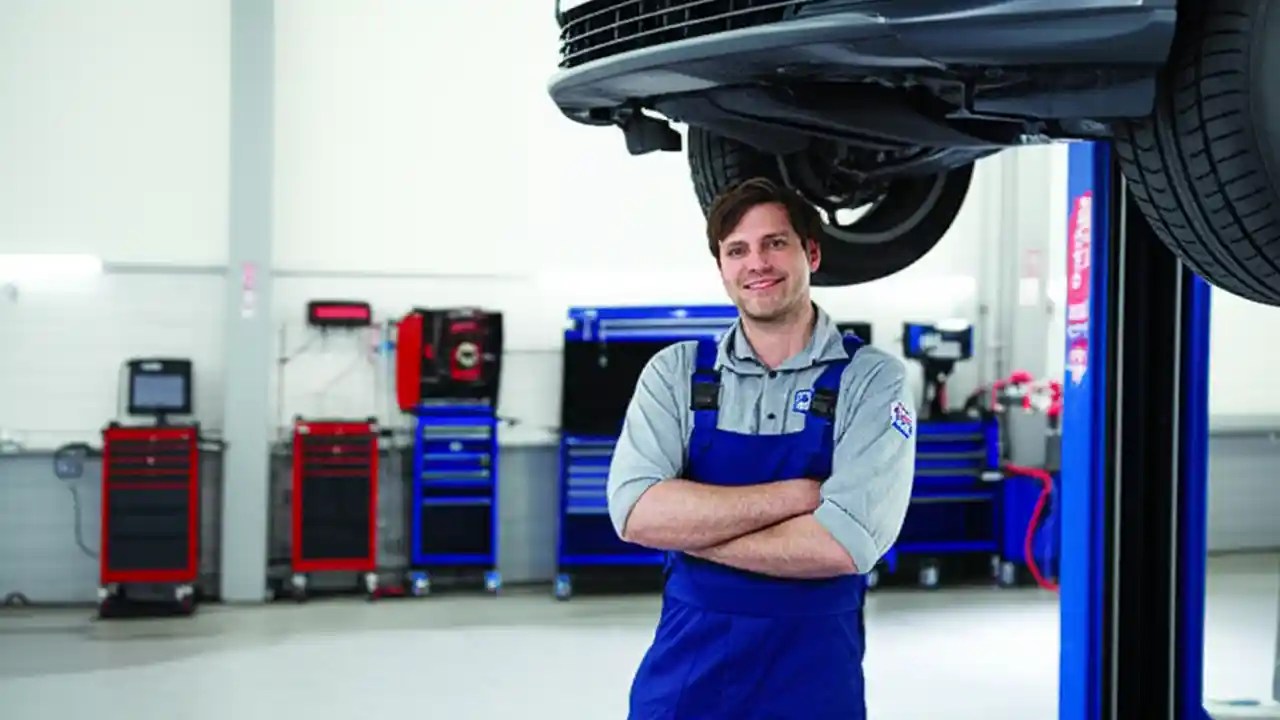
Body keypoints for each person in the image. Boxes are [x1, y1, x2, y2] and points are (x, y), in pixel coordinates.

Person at [606, 177, 918, 719]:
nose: (757, 263)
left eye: (775, 242)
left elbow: (844, 544)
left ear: (811, 253)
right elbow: (636, 513)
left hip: (812, 678)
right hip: (687, 672)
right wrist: (797, 496)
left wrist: (691, 533)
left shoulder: (872, 381)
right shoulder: (677, 373)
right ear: (722, 268)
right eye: (737, 250)